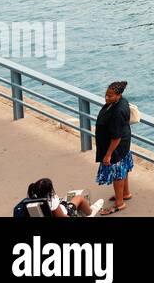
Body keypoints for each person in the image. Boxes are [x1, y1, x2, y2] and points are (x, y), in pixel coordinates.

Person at [94, 80, 134, 214]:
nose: (106, 98)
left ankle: (119, 203)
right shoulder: (121, 102)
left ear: (118, 95)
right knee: (124, 169)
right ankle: (125, 193)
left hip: (117, 146)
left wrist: (108, 155)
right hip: (124, 143)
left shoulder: (117, 111)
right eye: (106, 95)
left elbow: (116, 137)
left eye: (110, 96)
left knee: (117, 174)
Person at [20, 178, 97, 218]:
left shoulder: (32, 199)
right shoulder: (52, 201)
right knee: (79, 198)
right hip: (65, 212)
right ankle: (90, 213)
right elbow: (61, 216)